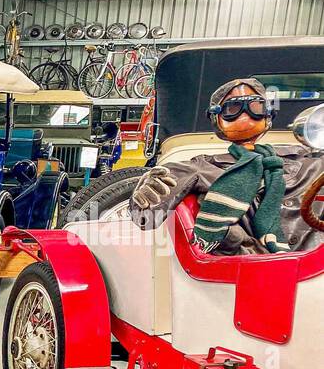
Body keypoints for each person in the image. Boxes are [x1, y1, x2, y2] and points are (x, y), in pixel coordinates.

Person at [129, 77, 324, 254]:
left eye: (256, 107)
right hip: (254, 265)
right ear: (218, 120)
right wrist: (145, 194)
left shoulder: (307, 158)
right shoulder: (202, 166)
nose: (245, 114)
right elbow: (147, 217)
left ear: (268, 115)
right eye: (233, 109)